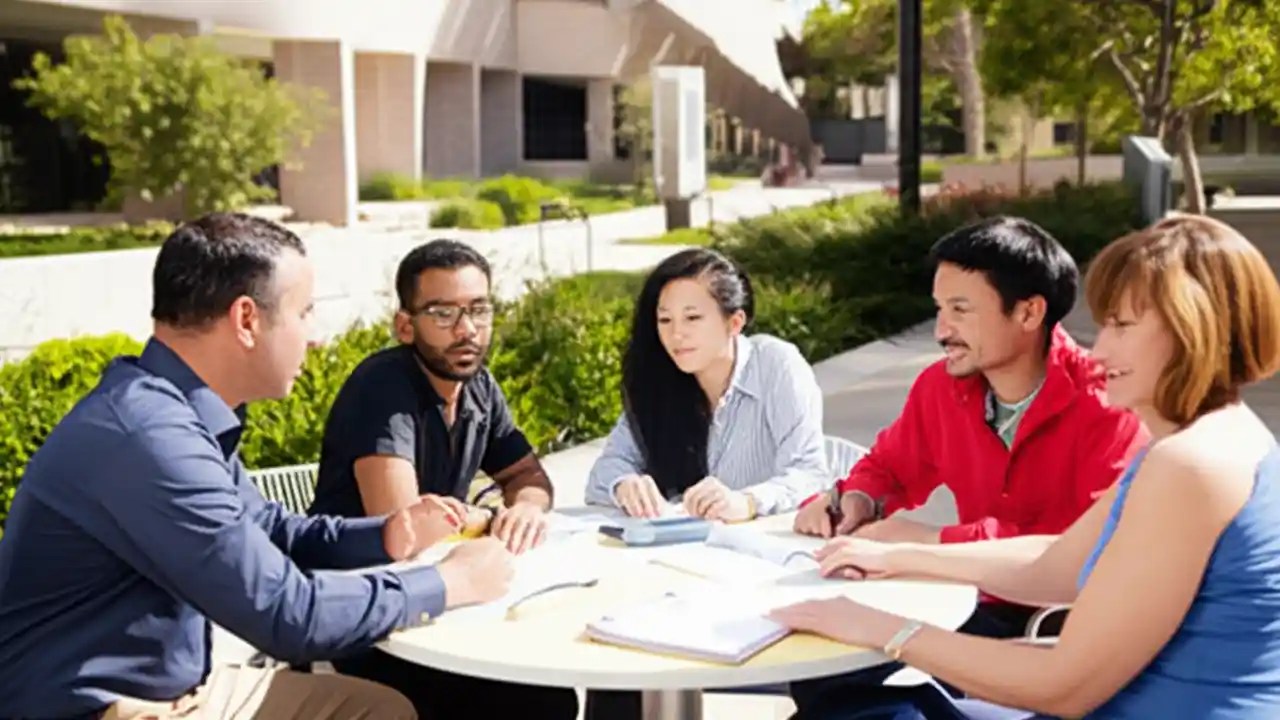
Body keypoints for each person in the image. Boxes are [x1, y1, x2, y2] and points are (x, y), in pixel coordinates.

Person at [0, 213, 514, 720]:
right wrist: (450, 584)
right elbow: (285, 615)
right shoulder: (149, 438)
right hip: (98, 708)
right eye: (305, 312)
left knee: (381, 710)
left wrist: (388, 536)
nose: (316, 336)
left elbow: (269, 530)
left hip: (179, 687)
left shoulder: (176, 414)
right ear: (247, 319)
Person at [771, 213, 1280, 719]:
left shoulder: (1189, 465)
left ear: (1194, 330)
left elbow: (1063, 685)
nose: (1100, 349)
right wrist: (894, 556)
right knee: (842, 696)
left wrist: (882, 631)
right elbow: (1057, 567)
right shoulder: (1199, 444)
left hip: (1096, 691)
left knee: (851, 702)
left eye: (1122, 325)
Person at [787, 216, 1147, 714]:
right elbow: (888, 466)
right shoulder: (941, 387)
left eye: (960, 310)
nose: (940, 331)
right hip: (964, 598)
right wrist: (856, 500)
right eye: (939, 309)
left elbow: (1072, 552)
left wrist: (924, 541)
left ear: (1028, 312)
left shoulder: (1109, 404)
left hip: (1056, 630)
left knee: (854, 696)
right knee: (821, 669)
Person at [308, 239, 577, 720]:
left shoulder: (479, 388)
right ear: (405, 326)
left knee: (553, 691)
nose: (467, 330)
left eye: (479, 310)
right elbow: (403, 526)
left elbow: (529, 477)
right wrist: (491, 517)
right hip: (370, 619)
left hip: (441, 601)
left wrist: (526, 510)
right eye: (443, 313)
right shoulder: (382, 387)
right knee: (534, 701)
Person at [584, 247, 828, 520]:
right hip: (685, 552)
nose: (676, 334)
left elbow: (810, 473)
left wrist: (747, 502)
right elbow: (604, 471)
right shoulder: (659, 379)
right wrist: (624, 485)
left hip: (772, 548)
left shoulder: (776, 365)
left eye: (692, 318)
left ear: (734, 323)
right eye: (665, 320)